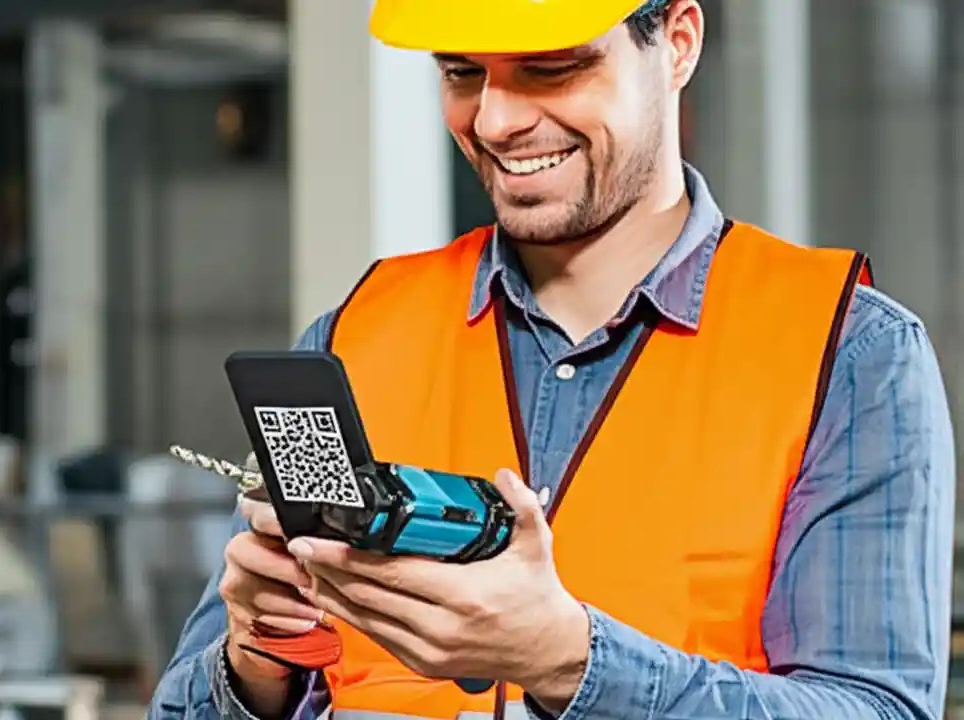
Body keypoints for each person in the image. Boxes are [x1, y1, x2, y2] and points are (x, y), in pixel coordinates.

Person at [148, 0, 956, 718]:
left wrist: (567, 661)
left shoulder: (850, 354)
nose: (496, 121)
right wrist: (256, 667)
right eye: (464, 72)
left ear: (676, 42)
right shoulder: (350, 339)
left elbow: (875, 707)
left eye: (553, 67)